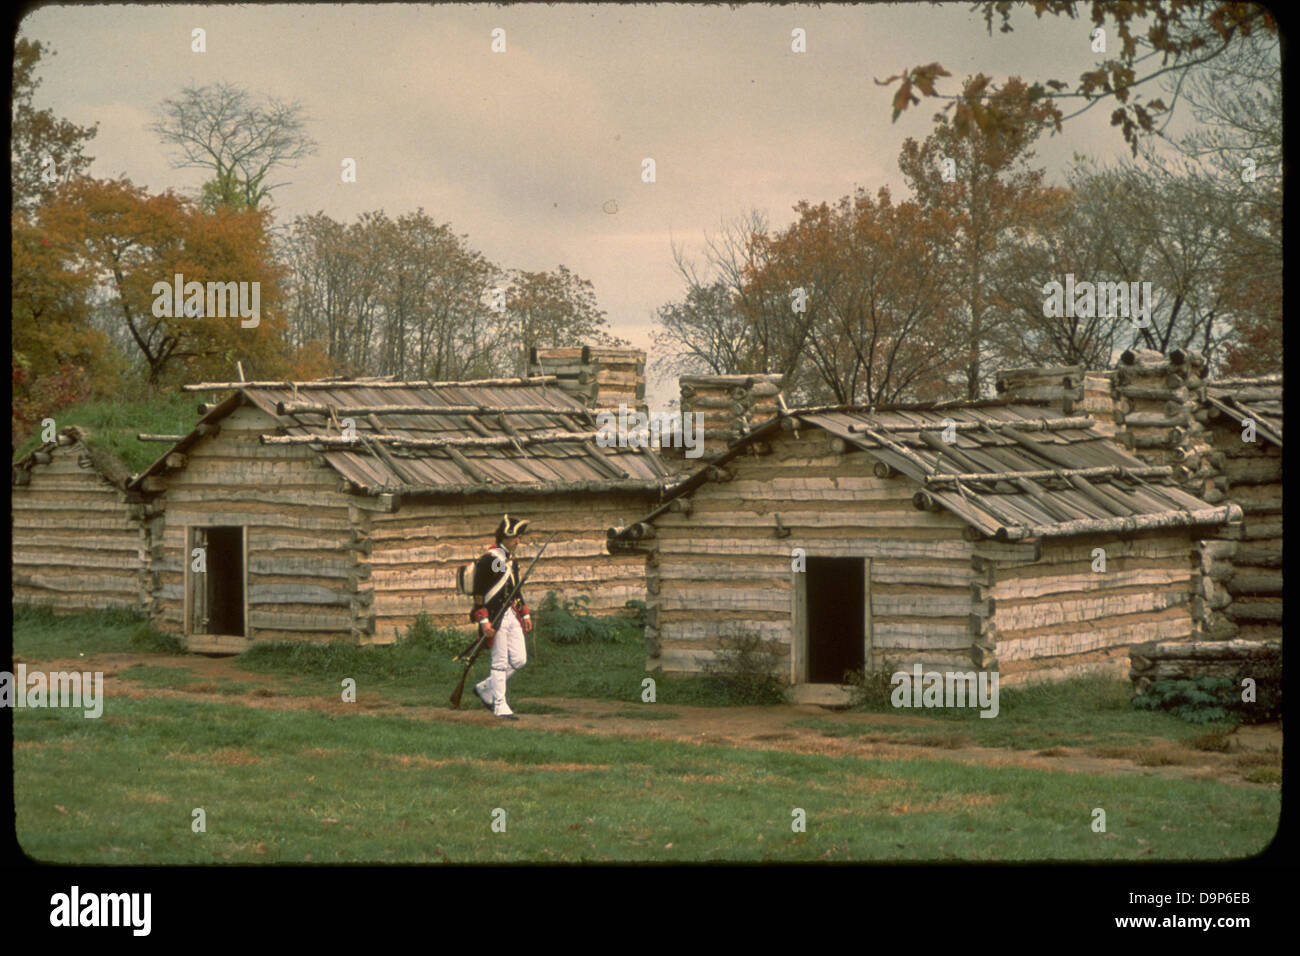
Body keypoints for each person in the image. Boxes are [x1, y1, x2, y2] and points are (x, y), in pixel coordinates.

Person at [470, 515, 533, 720]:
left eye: (519, 537)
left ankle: (485, 688)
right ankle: (500, 705)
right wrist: (483, 621)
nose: (518, 541)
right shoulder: (489, 559)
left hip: (511, 614)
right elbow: (479, 593)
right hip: (494, 617)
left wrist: (525, 613)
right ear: (504, 537)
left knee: (519, 659)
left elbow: (514, 589)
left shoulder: (510, 561)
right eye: (515, 537)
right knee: (499, 662)